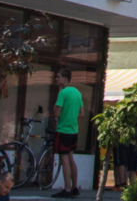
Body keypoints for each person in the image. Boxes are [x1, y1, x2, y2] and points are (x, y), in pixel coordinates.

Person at [52, 68, 82, 199]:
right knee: (71, 158)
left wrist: (58, 110)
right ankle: (75, 187)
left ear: (65, 78)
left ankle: (67, 189)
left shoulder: (62, 93)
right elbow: (82, 113)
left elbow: (56, 113)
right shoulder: (77, 93)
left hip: (63, 130)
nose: (56, 79)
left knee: (64, 160)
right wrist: (71, 114)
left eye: (58, 77)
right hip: (74, 131)